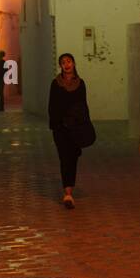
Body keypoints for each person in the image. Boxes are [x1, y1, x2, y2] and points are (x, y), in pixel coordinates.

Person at [48, 53, 92, 209]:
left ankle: (69, 189)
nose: (66, 65)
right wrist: (55, 125)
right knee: (64, 158)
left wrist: (84, 125)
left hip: (75, 128)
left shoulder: (80, 84)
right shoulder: (56, 83)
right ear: (60, 66)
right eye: (63, 62)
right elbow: (52, 106)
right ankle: (67, 193)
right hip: (60, 129)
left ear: (73, 64)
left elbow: (83, 106)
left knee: (72, 158)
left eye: (69, 62)